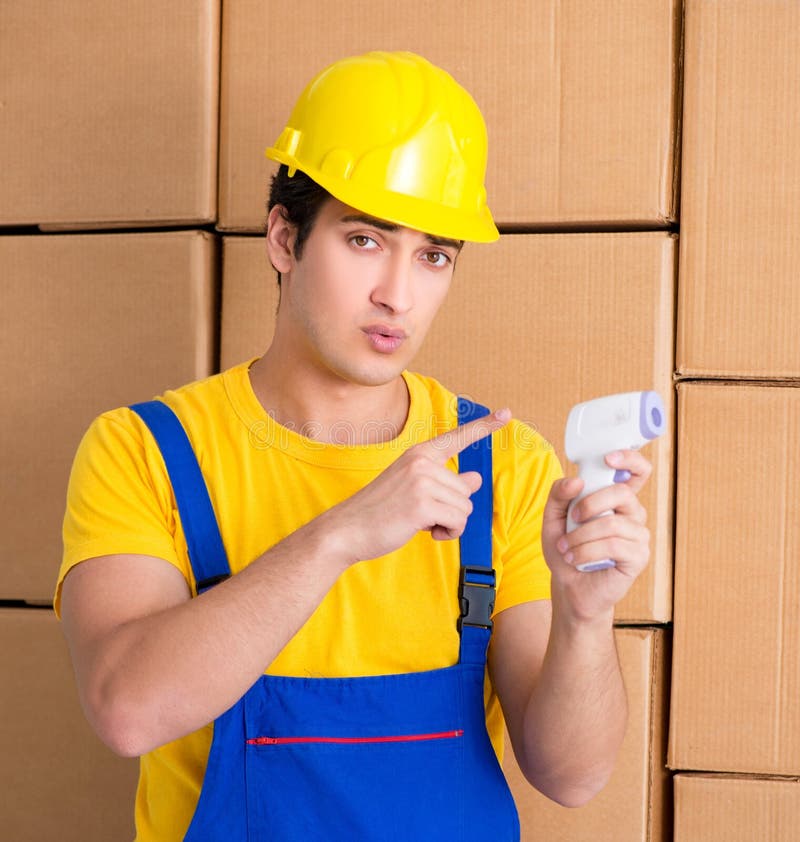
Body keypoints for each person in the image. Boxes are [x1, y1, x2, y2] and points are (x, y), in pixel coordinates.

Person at [56, 51, 653, 841]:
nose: (398, 295)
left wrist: (584, 619)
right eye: (366, 240)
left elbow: (572, 777)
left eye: (433, 255)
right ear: (282, 238)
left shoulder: (504, 467)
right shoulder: (146, 451)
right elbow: (126, 711)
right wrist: (339, 536)